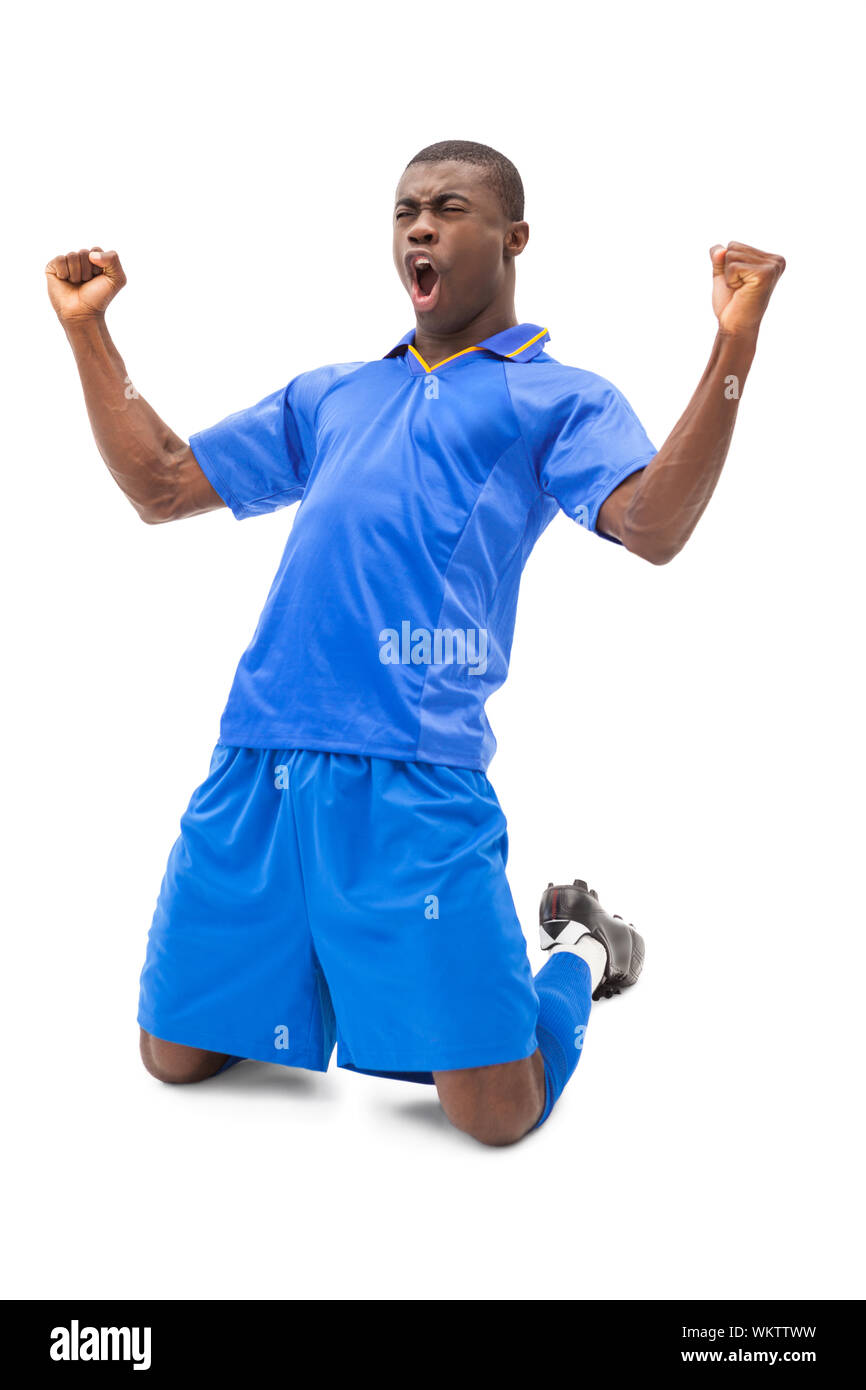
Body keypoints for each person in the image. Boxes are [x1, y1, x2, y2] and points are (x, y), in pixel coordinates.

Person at [46, 140, 785, 1145]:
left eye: (447, 207)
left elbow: (652, 526)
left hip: (414, 777)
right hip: (258, 760)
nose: (419, 226)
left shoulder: (555, 397)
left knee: (494, 1112)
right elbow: (162, 483)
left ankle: (579, 946)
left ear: (513, 236)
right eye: (404, 212)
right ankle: (359, 975)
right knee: (173, 1058)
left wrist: (731, 349)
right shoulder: (334, 392)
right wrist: (92, 334)